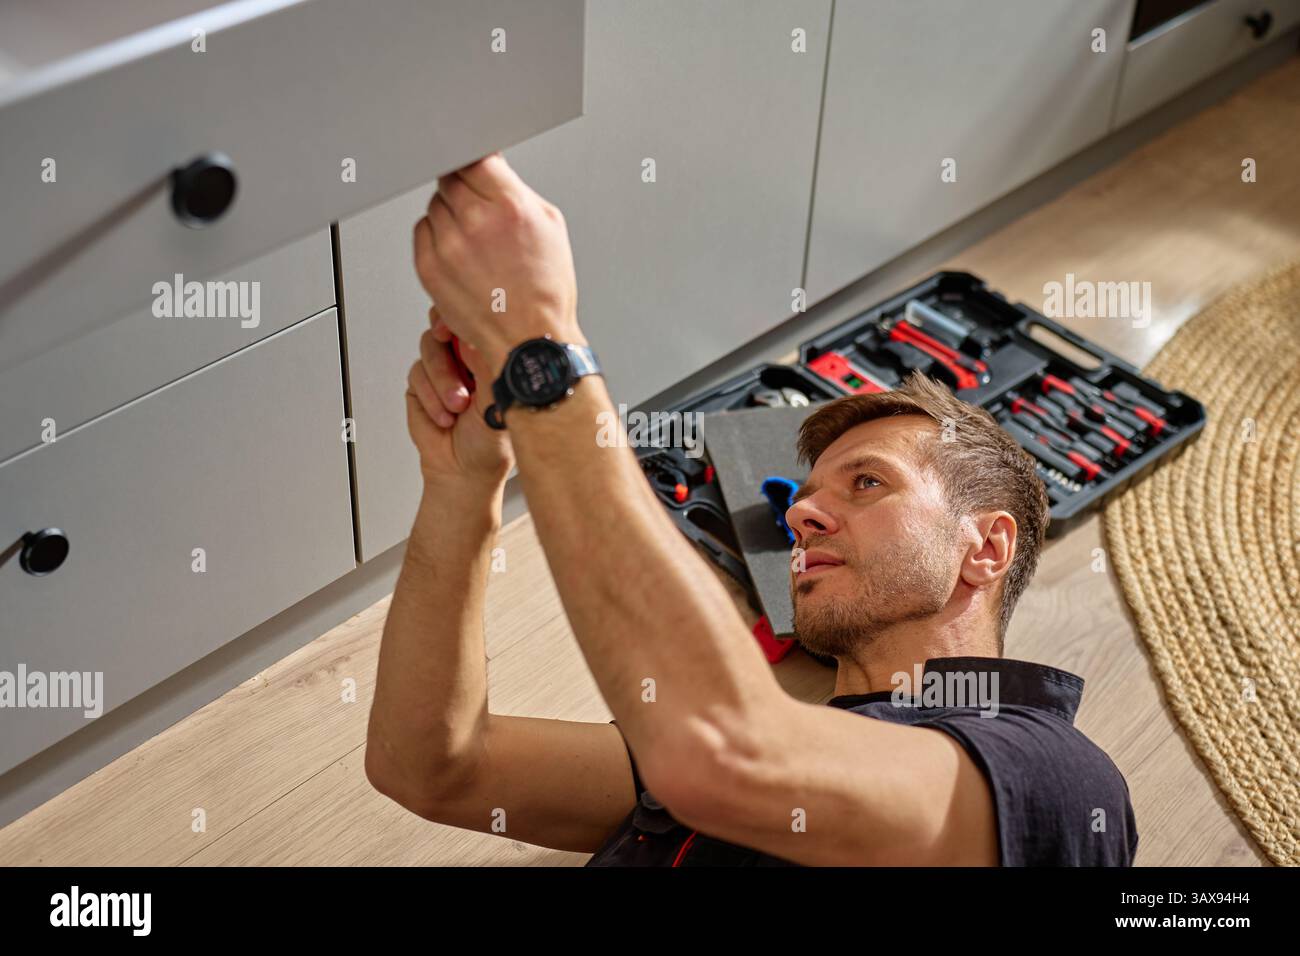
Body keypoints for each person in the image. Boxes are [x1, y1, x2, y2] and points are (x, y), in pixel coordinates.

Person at [364, 153, 1138, 866]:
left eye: (867, 482)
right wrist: (462, 492)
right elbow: (431, 767)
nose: (801, 518)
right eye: (805, 499)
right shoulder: (767, 745)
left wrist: (540, 347)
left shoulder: (1054, 776)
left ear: (987, 548)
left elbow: (725, 755)